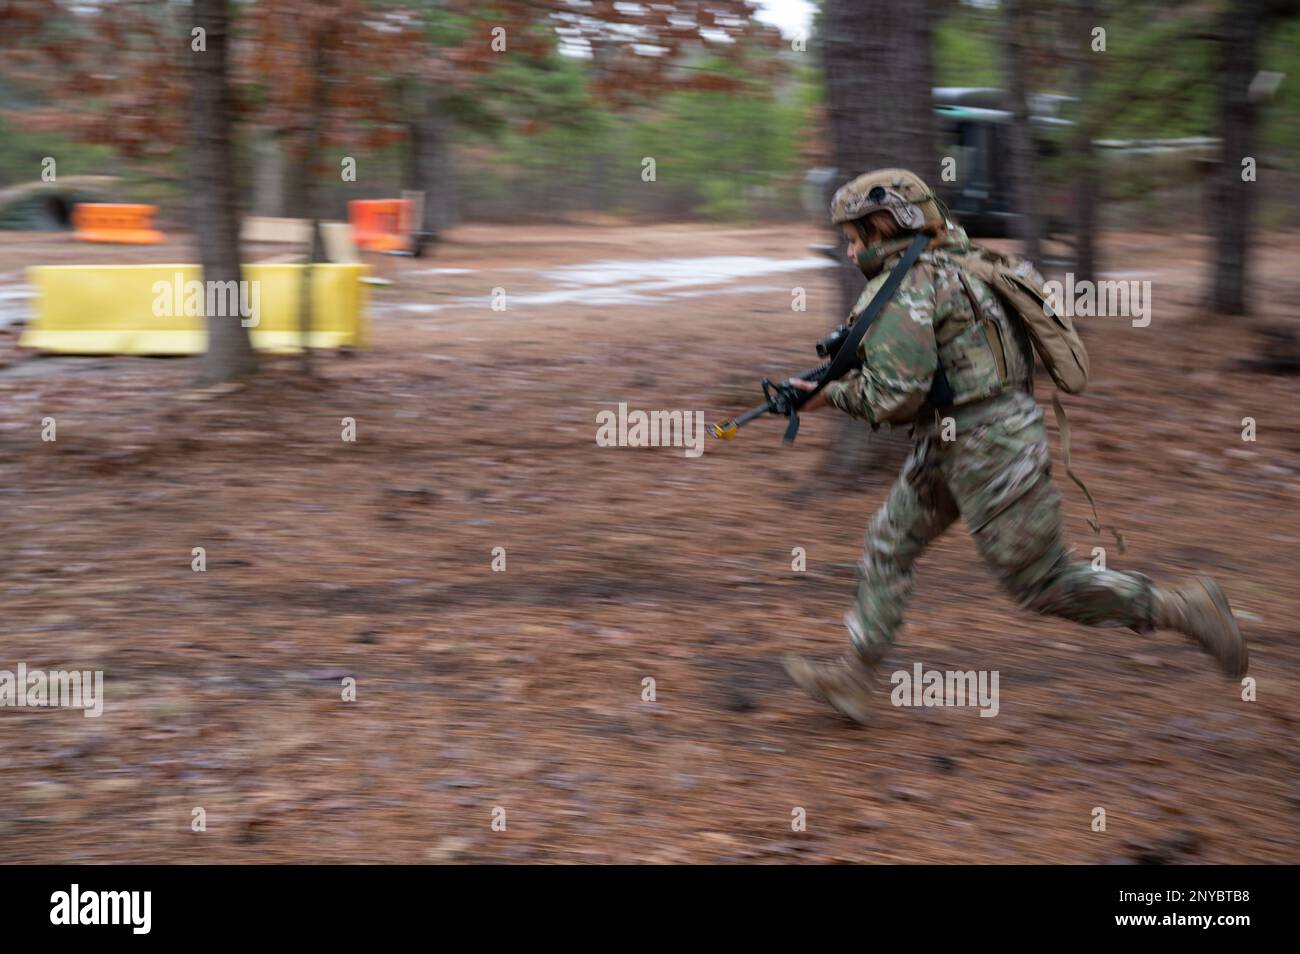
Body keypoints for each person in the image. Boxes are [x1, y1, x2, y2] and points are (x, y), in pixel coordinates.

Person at [782, 168, 1248, 724]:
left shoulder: (909, 284)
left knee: (1041, 582)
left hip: (990, 448)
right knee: (889, 540)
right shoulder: (957, 265)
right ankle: (855, 676)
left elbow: (895, 395)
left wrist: (830, 396)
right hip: (957, 439)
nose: (849, 245)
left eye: (854, 233)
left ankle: (1184, 608)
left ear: (884, 226)